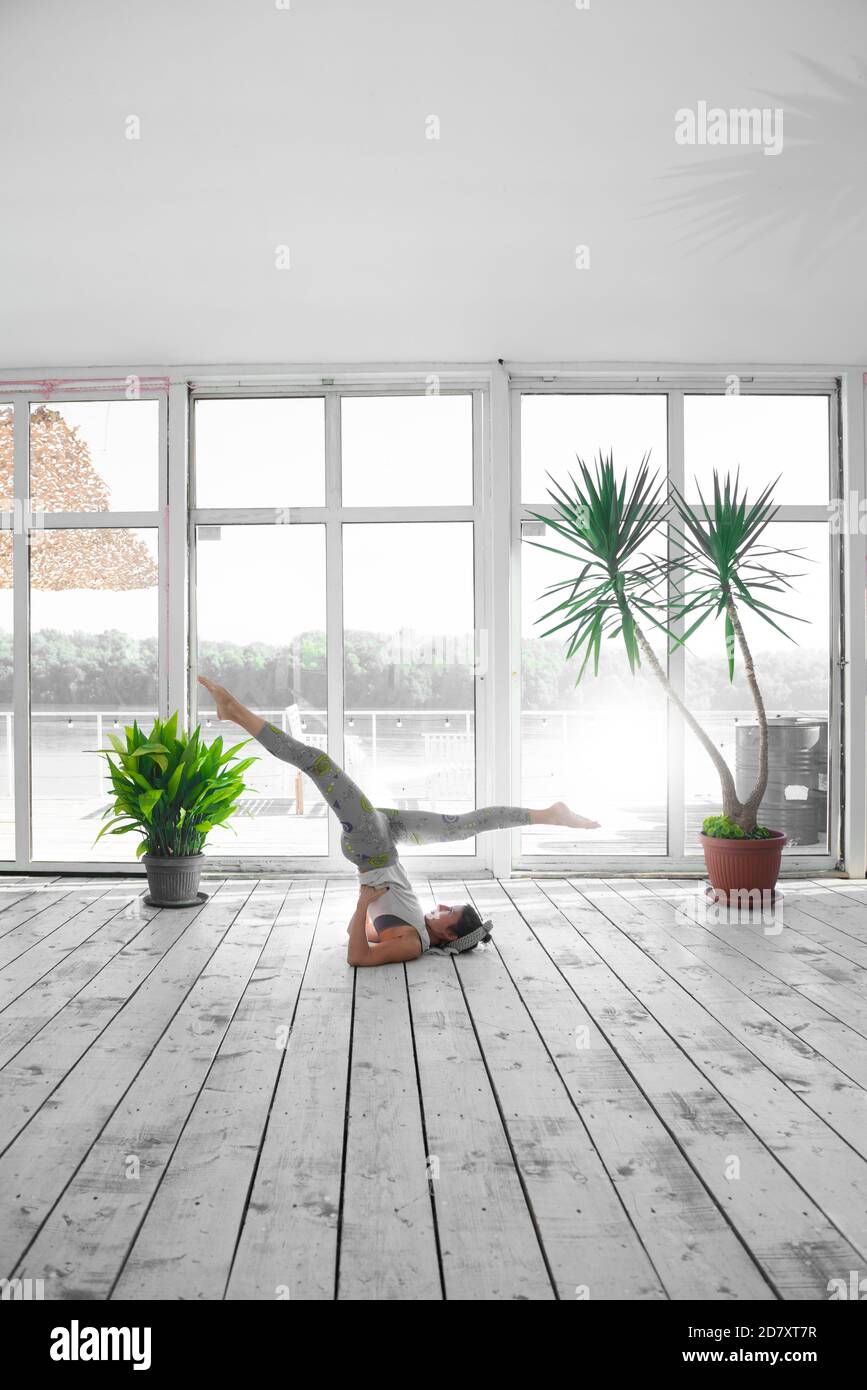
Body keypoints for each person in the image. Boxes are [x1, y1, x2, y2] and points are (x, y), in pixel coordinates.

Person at [197, 677, 599, 968]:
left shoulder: (412, 945)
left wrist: (362, 902)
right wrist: (368, 913)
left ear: (449, 936)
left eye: (447, 912)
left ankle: (234, 713)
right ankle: (548, 815)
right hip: (387, 839)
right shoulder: (417, 931)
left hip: (373, 845)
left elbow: (357, 957)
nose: (440, 905)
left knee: (318, 764)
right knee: (463, 825)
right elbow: (371, 934)